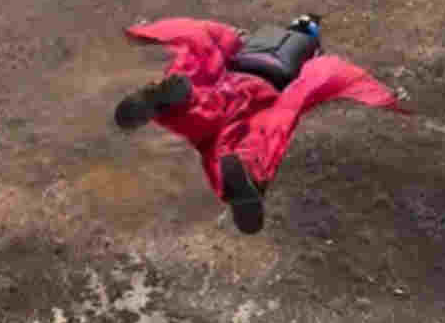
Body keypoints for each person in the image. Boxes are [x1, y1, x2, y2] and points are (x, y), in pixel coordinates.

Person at [114, 16, 405, 234]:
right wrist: (391, 97)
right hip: (264, 92)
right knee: (250, 135)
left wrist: (144, 31)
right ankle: (248, 175)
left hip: (229, 78)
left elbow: (204, 32)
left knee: (207, 107)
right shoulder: (316, 59)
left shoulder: (253, 39)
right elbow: (339, 76)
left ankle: (178, 101)